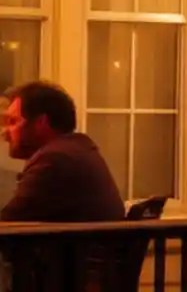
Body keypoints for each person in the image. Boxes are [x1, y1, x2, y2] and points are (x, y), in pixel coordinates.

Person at [1, 81, 124, 221]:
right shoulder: (76, 149)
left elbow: (8, 223)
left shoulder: (54, 161)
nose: (5, 133)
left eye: (13, 122)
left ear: (41, 122)